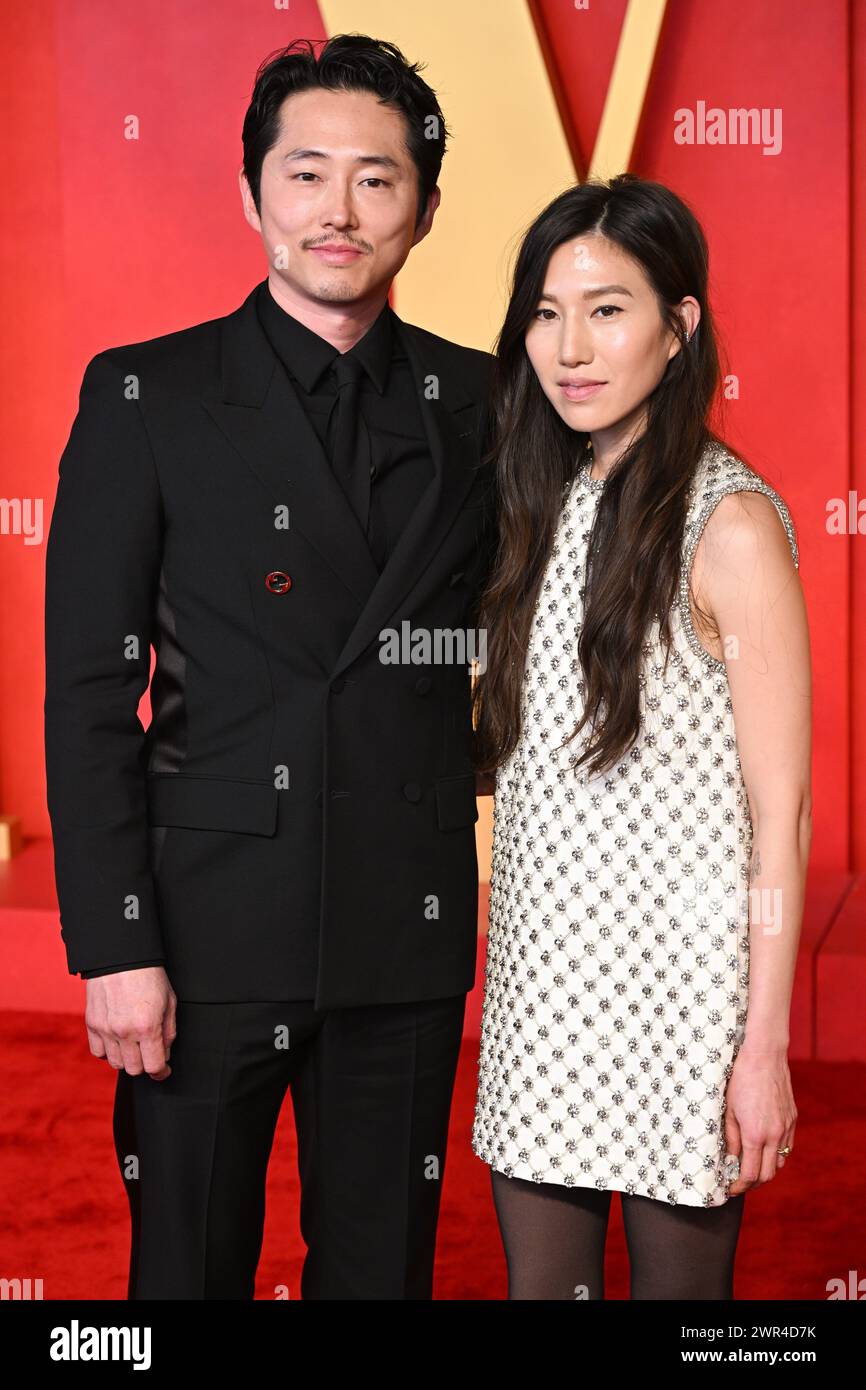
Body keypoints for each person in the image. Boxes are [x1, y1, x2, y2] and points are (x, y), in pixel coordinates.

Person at [44, 34, 497, 1300]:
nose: (336, 211)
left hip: (397, 928)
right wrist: (114, 943)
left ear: (423, 208)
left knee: (379, 1277)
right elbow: (88, 690)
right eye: (305, 175)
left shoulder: (484, 403)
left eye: (375, 177)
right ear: (252, 195)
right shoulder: (145, 395)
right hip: (200, 931)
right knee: (182, 1275)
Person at [470, 174, 811, 1300]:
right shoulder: (532, 499)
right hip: (541, 991)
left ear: (680, 325)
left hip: (683, 1006)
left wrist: (760, 1047)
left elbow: (781, 813)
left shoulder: (731, 523)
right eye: (545, 312)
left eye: (607, 308)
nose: (569, 345)